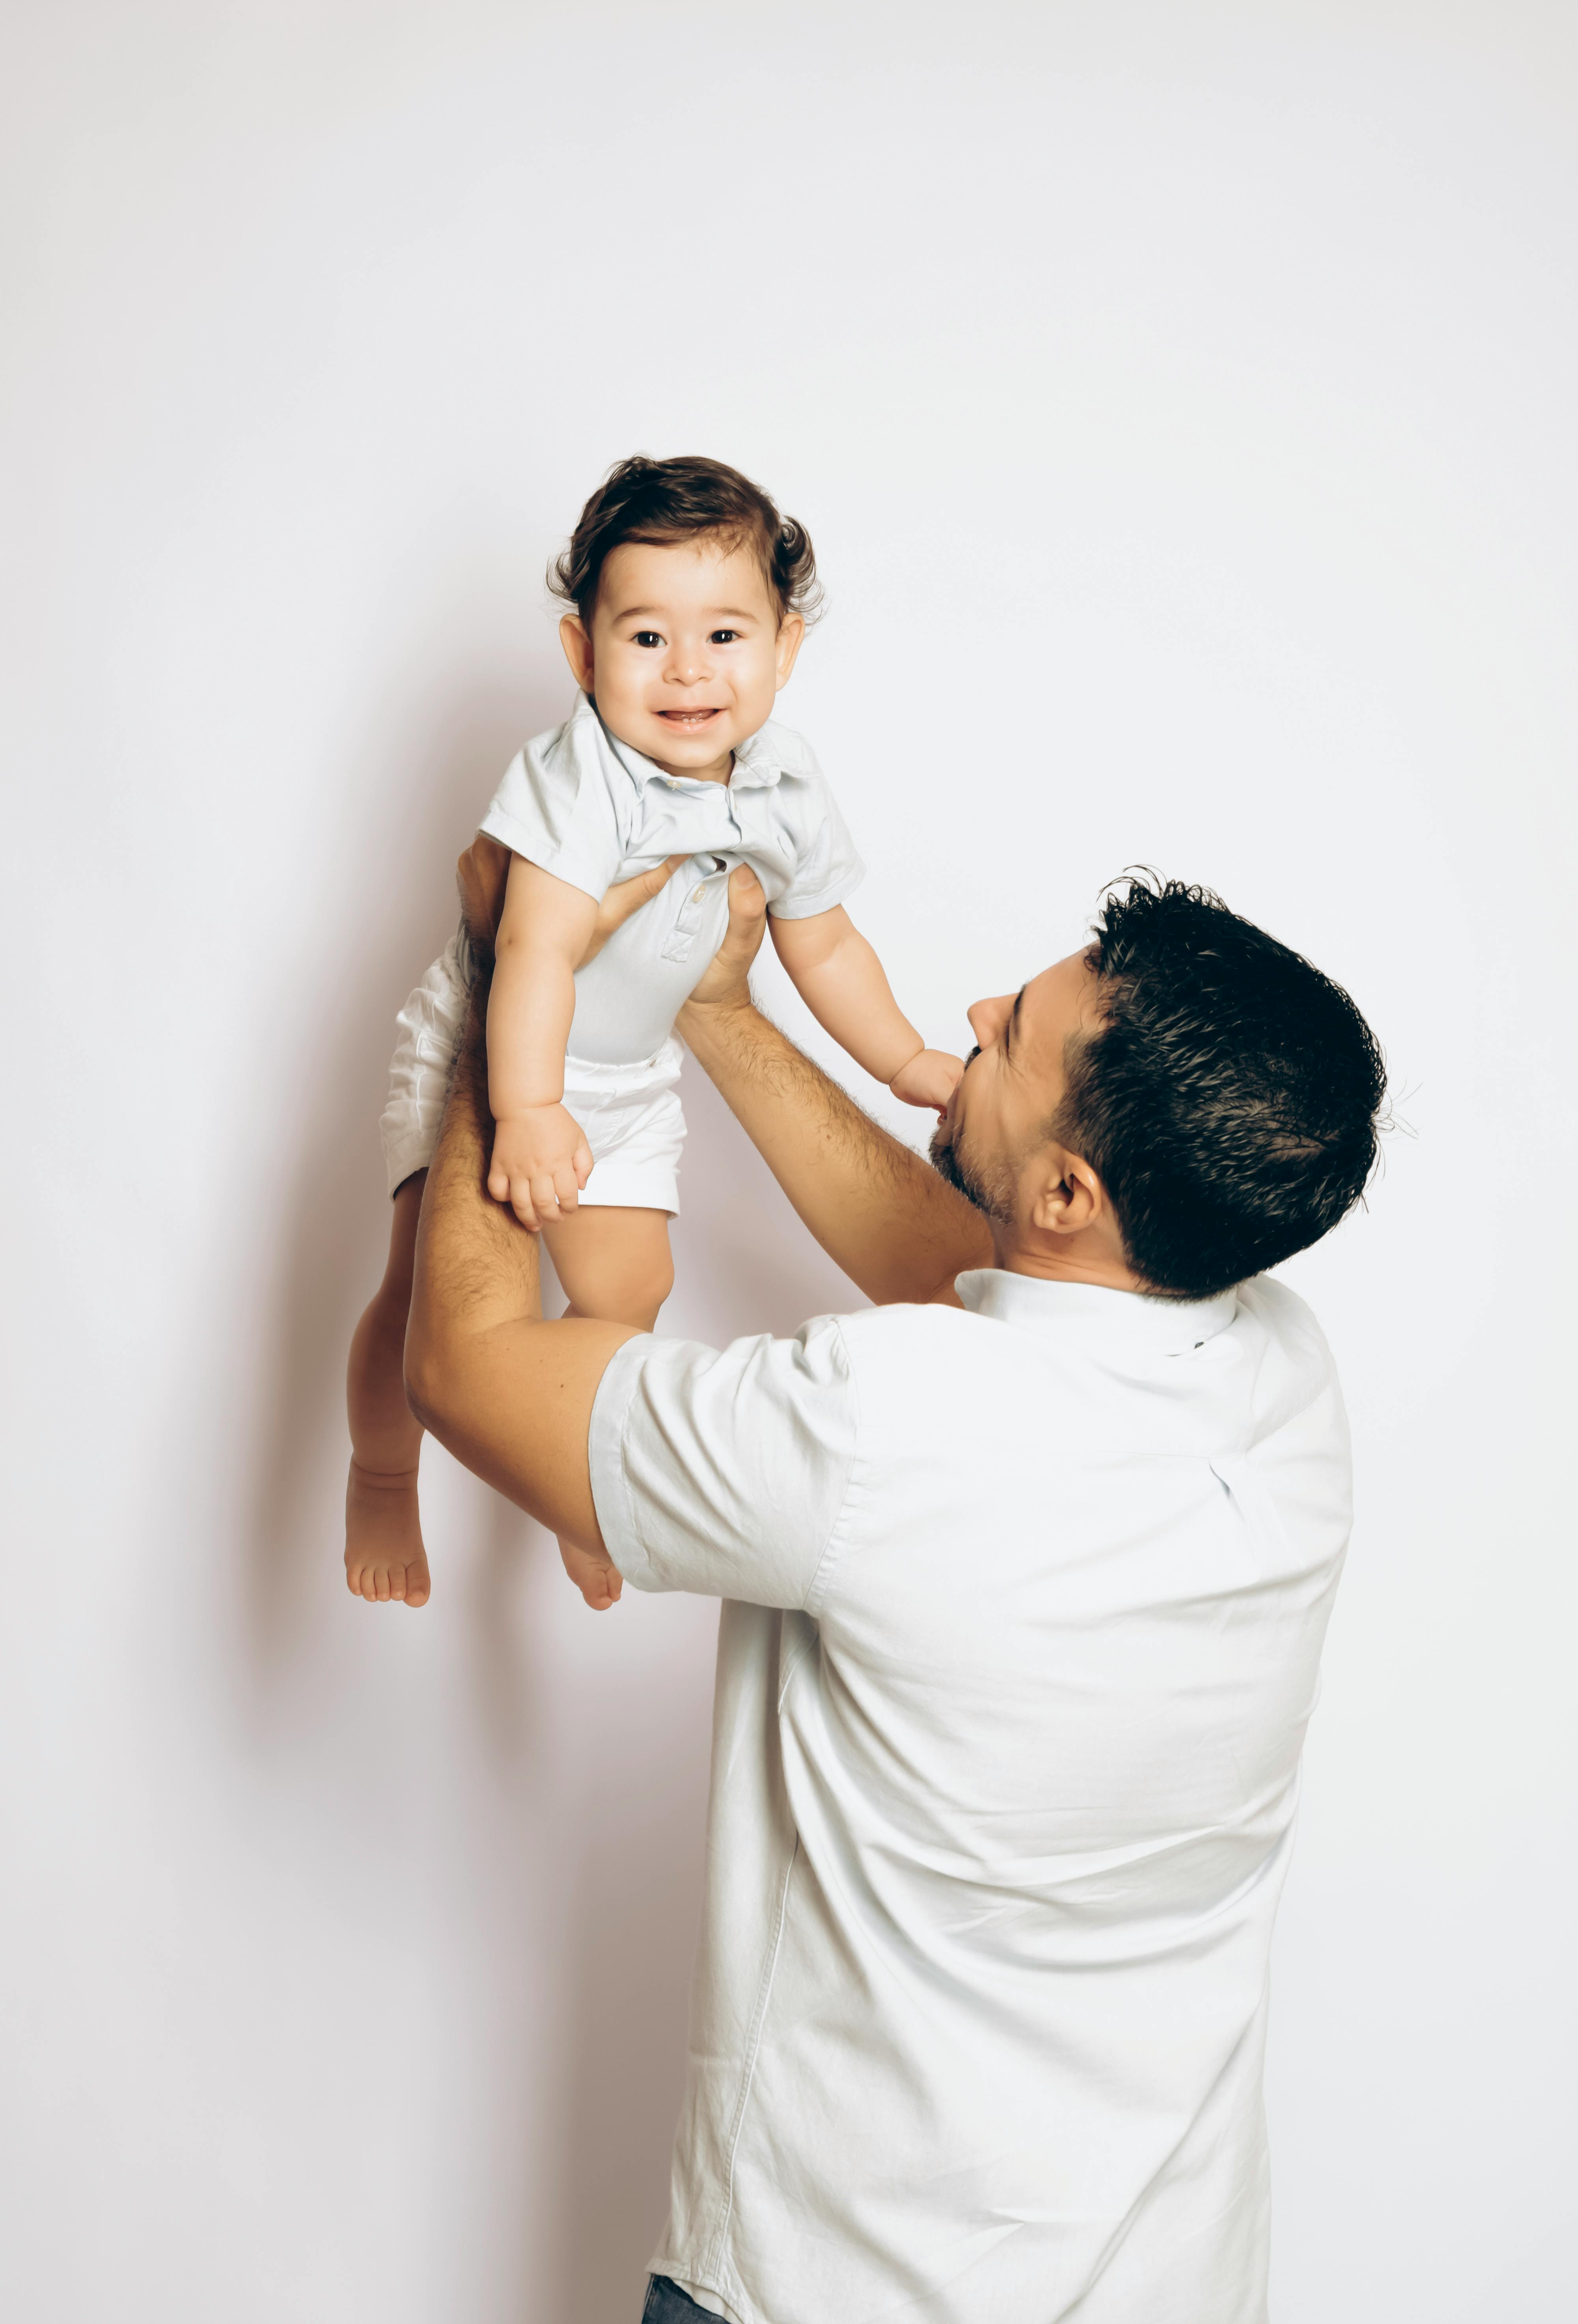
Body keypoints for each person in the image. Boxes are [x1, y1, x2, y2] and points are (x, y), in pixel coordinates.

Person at [402, 855, 1385, 2324]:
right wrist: (722, 1010)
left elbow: (465, 1370)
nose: (975, 1011)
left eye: (1006, 1042)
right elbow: (986, 1279)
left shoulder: (884, 1425)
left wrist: (517, 989)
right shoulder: (1282, 1369)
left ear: (1069, 1185)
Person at [344, 455, 961, 1612]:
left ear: (787, 649)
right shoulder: (583, 778)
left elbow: (821, 944)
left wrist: (907, 1060)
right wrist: (524, 1111)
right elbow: (528, 950)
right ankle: (382, 1469)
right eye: (645, 639)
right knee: (420, 1295)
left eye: (727, 635)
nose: (688, 671)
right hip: (496, 1052)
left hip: (625, 1071)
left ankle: (578, 1471)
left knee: (634, 1286)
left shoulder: (781, 783)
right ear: (583, 655)